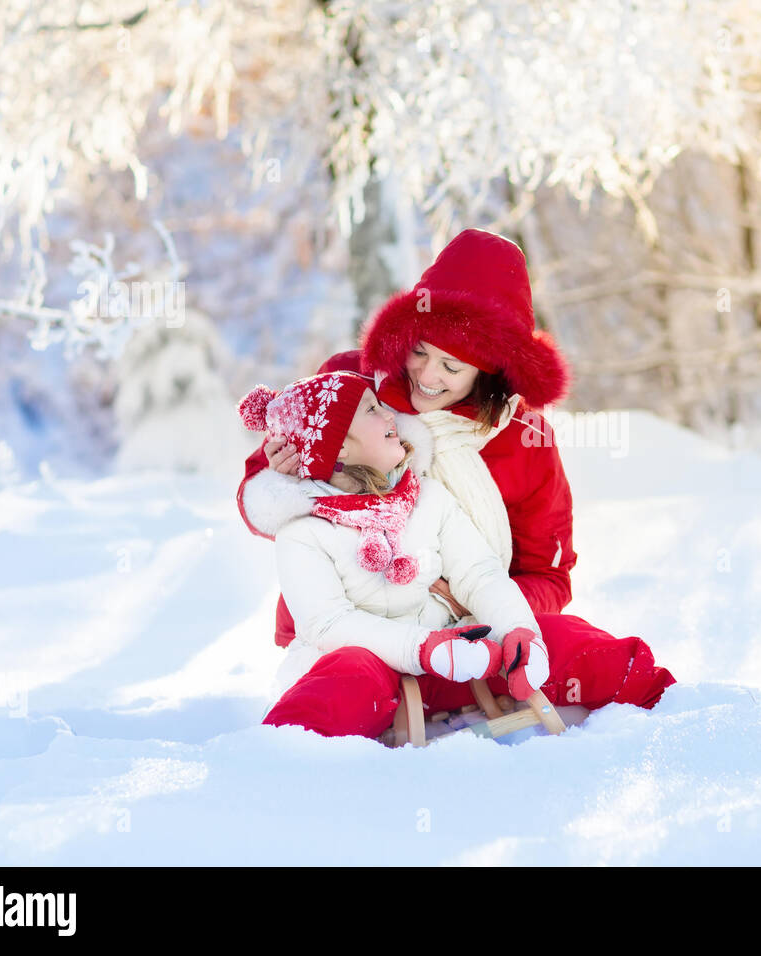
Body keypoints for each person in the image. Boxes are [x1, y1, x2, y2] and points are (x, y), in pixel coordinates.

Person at [237, 371, 675, 739]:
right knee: (344, 678)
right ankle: (277, 763)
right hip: (378, 667)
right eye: (371, 409)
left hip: (459, 658)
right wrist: (421, 649)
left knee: (566, 636)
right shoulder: (304, 532)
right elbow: (328, 623)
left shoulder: (427, 497)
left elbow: (479, 573)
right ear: (340, 448)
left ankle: (669, 704)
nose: (390, 413)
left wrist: (518, 631)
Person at [237, 229, 576, 649]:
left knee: (579, 642)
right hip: (342, 636)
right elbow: (261, 503)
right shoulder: (349, 385)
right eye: (419, 351)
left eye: (451, 367)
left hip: (468, 640)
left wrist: (477, 602)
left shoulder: (526, 440)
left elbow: (550, 576)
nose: (428, 376)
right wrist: (281, 476)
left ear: (490, 373)